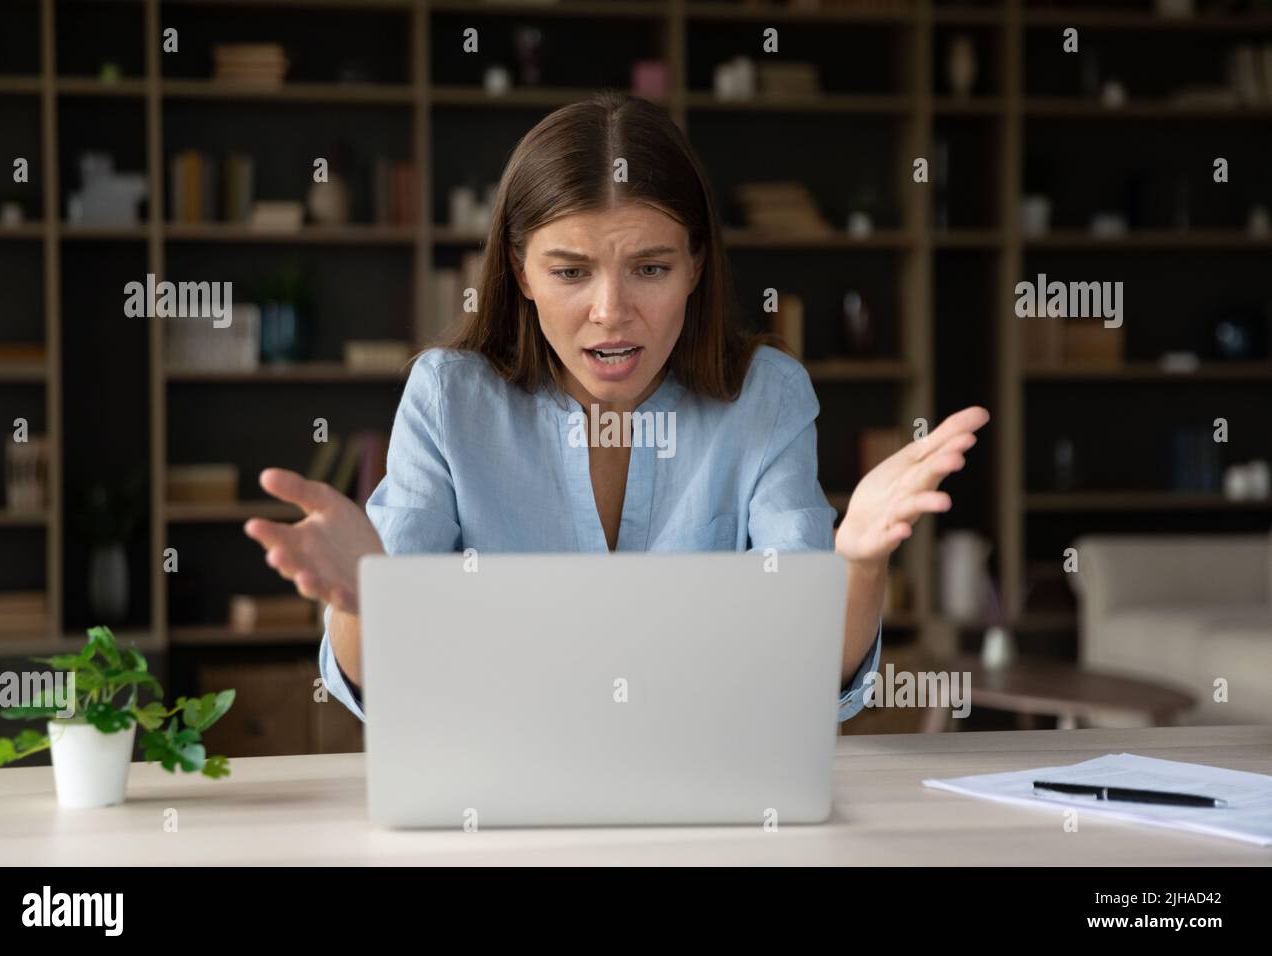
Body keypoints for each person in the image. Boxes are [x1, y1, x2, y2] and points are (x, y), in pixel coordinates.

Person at [243, 91, 989, 723]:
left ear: (697, 263)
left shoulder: (765, 396)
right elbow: (386, 687)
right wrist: (362, 598)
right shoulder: (448, 399)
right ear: (520, 271)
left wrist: (857, 564)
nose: (611, 312)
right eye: (570, 272)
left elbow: (809, 680)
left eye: (652, 268)